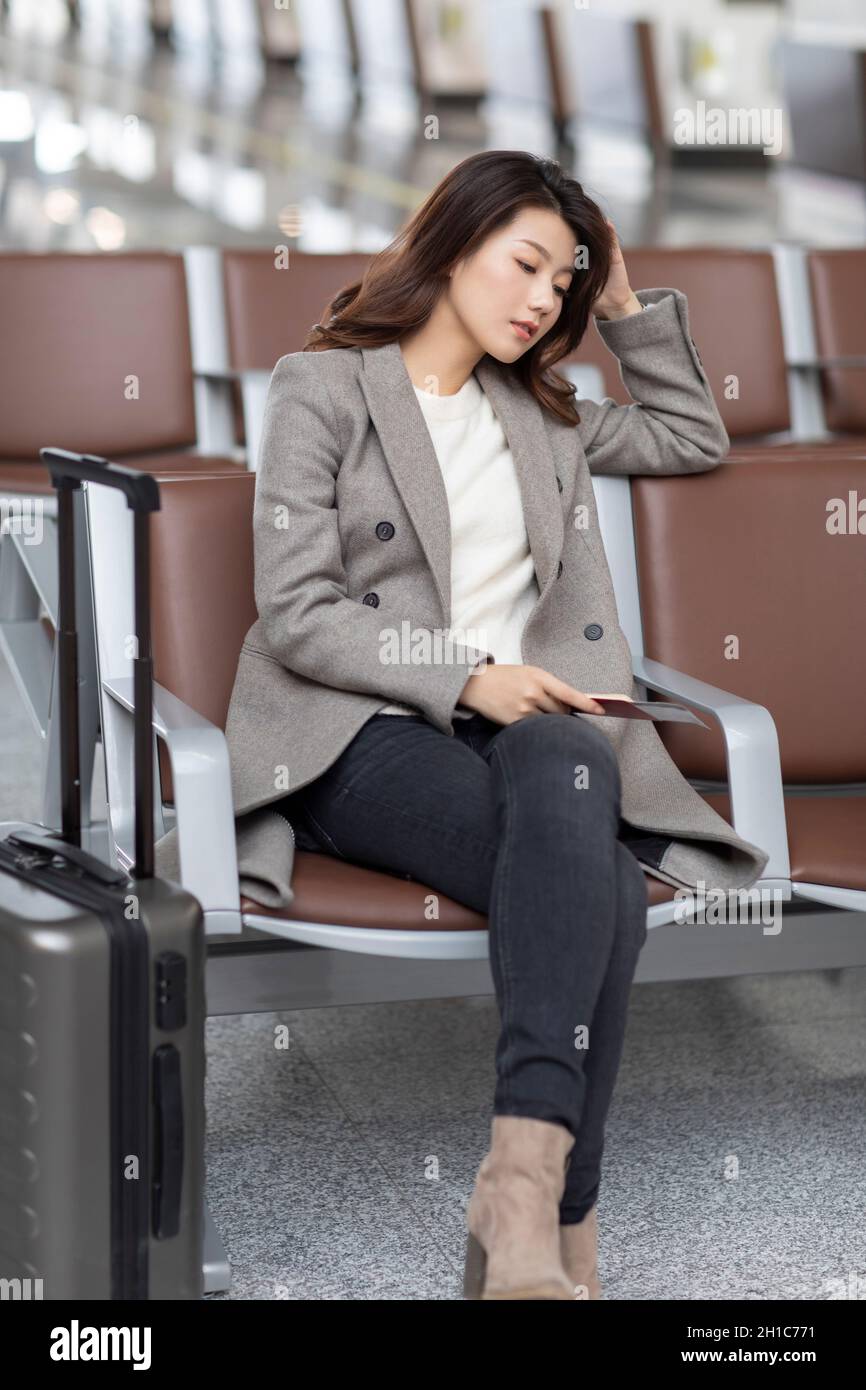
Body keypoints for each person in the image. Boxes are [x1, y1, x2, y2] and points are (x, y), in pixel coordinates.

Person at [223, 149, 769, 1300]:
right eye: (524, 264)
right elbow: (295, 608)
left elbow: (689, 436)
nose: (538, 300)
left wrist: (619, 305)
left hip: (532, 744)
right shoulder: (320, 387)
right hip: (357, 731)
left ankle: (515, 1198)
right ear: (450, 242)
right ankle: (552, 1220)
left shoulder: (544, 419)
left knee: (572, 772)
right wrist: (468, 676)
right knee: (603, 883)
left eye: (558, 287)